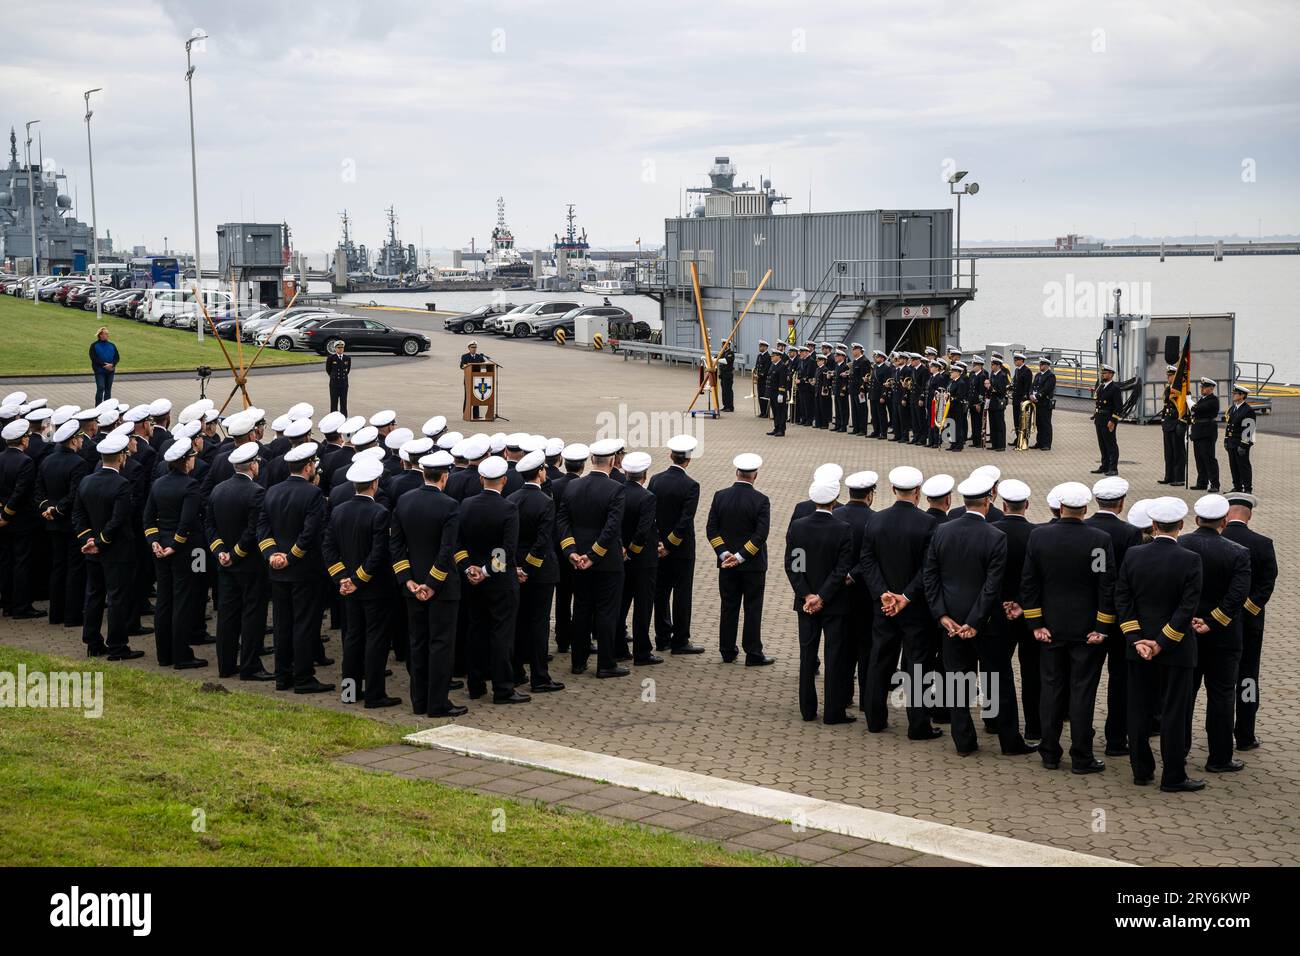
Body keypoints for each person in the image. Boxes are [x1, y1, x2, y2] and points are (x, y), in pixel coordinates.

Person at [923, 471, 1030, 756]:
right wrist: (974, 621)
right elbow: (991, 586)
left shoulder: (942, 530)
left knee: (957, 681)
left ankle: (964, 741)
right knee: (998, 680)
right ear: (988, 500)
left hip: (950, 622)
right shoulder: (996, 536)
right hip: (987, 623)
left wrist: (942, 616)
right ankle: (1009, 742)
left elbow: (930, 577)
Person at [1017, 482, 1116, 773]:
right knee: (1082, 692)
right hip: (1087, 630)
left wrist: (1035, 624)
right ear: (1086, 509)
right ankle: (1082, 756)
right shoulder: (1099, 540)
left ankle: (1049, 752)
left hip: (1051, 628)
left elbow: (1029, 583)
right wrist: (1102, 626)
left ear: (1060, 508)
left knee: (1050, 689)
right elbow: (1104, 585)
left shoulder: (1039, 536)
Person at [1115, 496, 1203, 791]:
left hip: (1137, 647)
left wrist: (1137, 639)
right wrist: (1162, 642)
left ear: (1152, 525)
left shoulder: (1133, 555)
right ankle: (1173, 775)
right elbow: (1187, 608)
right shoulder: (1190, 559)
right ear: (1180, 525)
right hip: (1176, 648)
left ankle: (1141, 770)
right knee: (1174, 712)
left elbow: (1122, 599)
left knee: (1138, 710)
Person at [856, 466, 940, 738]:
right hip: (915, 608)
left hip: (884, 606)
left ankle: (874, 719)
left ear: (893, 490)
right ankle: (918, 725)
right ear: (917, 492)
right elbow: (928, 568)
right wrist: (905, 596)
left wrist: (884, 593)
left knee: (880, 660)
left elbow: (867, 561)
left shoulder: (876, 520)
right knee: (917, 665)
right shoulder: (929, 524)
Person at [1179, 494, 1251, 774]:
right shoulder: (1238, 552)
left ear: (1196, 520)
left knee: (1184, 694)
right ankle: (1219, 757)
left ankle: (1179, 750)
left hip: (1185, 633)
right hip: (1223, 636)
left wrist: (1190, 620)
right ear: (1223, 521)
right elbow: (1237, 595)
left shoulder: (1181, 545)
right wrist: (1214, 621)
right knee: (1221, 696)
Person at [391, 449, 465, 717]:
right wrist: (432, 583)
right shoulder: (450, 505)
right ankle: (438, 703)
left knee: (418, 644)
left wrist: (408, 580)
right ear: (444, 476)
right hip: (442, 588)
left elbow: (396, 546)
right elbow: (447, 550)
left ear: (423, 474)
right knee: (441, 646)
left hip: (413, 586)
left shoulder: (404, 501)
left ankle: (419, 701)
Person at [324, 454, 399, 709]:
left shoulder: (338, 511)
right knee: (375, 641)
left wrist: (342, 578)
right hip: (374, 588)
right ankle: (375, 695)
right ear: (375, 484)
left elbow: (329, 548)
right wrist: (357, 579)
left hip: (348, 588)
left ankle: (349, 691)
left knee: (352, 639)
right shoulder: (380, 513)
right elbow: (379, 553)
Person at [258, 442, 333, 694]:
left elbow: (263, 528)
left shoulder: (272, 492)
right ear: (309, 466)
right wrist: (290, 557)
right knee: (304, 624)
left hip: (278, 570)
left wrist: (272, 555)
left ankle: (283, 675)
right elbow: (310, 533)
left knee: (281, 624)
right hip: (303, 571)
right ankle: (302, 677)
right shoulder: (313, 494)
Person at [457, 455, 529, 703]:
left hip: (473, 580)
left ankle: (475, 685)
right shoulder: (508, 508)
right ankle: (502, 688)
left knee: (475, 630)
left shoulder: (465, 505)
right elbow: (506, 550)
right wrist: (487, 570)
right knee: (501, 634)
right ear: (505, 481)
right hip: (499, 582)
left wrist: (470, 569)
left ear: (481, 479)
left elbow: (459, 543)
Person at [785, 476, 855, 724]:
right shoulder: (843, 529)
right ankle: (833, 712)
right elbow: (841, 569)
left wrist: (807, 595)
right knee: (834, 656)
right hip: (834, 603)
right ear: (835, 500)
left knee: (807, 654)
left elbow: (795, 566)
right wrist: (823, 596)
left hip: (806, 604)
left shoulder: (798, 527)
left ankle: (807, 709)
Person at [558, 438, 628, 677]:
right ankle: (606, 664)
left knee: (581, 609)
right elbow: (611, 528)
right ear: (612, 461)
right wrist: (593, 555)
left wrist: (572, 553)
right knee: (607, 612)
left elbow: (563, 522)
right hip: (606, 562)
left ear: (591, 460)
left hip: (578, 562)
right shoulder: (617, 489)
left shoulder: (572, 487)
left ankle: (578, 661)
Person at [1085, 476, 1144, 758]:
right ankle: (1116, 739)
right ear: (1120, 503)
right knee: (1120, 680)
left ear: (1096, 502)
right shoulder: (1130, 532)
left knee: (1085, 679)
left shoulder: (1084, 527)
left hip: (1089, 617)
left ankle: (1082, 735)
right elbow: (1128, 575)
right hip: (1121, 619)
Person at [72, 431, 143, 660]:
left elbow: (78, 515)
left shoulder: (87, 481)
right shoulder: (122, 484)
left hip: (92, 550)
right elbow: (118, 519)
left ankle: (92, 641)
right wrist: (101, 542)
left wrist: (88, 540)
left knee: (94, 595)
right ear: (122, 457)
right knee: (116, 598)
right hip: (117, 551)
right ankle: (117, 645)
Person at [206, 442, 273, 680]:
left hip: (224, 564)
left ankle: (226, 665)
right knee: (253, 615)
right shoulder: (257, 492)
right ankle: (250, 665)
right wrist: (235, 554)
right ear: (253, 465)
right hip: (249, 565)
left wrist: (221, 552)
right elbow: (253, 530)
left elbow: (210, 526)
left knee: (227, 615)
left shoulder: (218, 490)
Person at [705, 453, 774, 666]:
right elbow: (760, 535)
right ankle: (753, 653)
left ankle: (727, 650)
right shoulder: (761, 500)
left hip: (726, 565)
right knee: (752, 608)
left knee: (729, 606)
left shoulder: (720, 496)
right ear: (755, 475)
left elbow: (711, 529)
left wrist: (725, 553)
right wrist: (741, 556)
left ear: (737, 472)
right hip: (752, 565)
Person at [143, 439, 206, 669]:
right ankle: (181, 654)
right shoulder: (191, 485)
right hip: (183, 551)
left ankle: (164, 654)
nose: (194, 461)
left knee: (164, 601)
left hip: (161, 550)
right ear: (184, 461)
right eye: (191, 458)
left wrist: (154, 542)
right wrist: (175, 545)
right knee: (182, 602)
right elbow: (187, 521)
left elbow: (148, 519)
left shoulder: (158, 484)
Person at [1221, 493, 1276, 752]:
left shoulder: (1215, 540)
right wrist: (1248, 609)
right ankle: (1245, 733)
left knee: (1215, 679)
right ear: (1249, 515)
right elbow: (1267, 583)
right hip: (1250, 624)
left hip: (1214, 623)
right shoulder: (1263, 543)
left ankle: (1215, 733)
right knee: (1248, 678)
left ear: (1225, 514)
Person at [508, 448, 565, 692]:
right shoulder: (545, 502)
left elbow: (508, 540)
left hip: (515, 569)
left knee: (519, 621)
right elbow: (543, 541)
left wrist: (516, 568)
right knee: (539, 623)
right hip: (540, 572)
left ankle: (517, 671)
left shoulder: (511, 499)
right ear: (540, 472)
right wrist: (529, 568)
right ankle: (539, 677)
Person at [992, 479, 1040, 741]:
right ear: (1027, 505)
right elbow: (1039, 576)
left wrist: (1002, 601)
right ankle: (1034, 726)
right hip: (1030, 613)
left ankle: (994, 720)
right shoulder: (1037, 533)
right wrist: (1021, 602)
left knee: (997, 668)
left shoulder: (990, 530)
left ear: (1003, 505)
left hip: (997, 610)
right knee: (1032, 671)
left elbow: (989, 574)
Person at [649, 435, 703, 654]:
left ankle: (662, 638)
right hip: (681, 550)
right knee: (682, 594)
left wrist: (659, 543)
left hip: (658, 547)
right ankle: (680, 640)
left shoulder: (655, 480)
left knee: (660, 593)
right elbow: (685, 520)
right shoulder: (691, 485)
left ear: (670, 456)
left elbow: (650, 514)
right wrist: (670, 545)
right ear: (688, 460)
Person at [36, 420, 90, 628]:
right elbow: (75, 494)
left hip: (52, 523)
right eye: (80, 439)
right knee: (74, 569)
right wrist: (58, 510)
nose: (82, 443)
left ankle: (55, 613)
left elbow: (38, 490)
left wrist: (47, 509)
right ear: (73, 440)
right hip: (70, 523)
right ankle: (72, 615)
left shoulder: (47, 461)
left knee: (57, 567)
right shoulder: (79, 463)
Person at [836, 470, 876, 710]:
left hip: (838, 592)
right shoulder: (876, 519)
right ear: (870, 494)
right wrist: (854, 574)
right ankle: (866, 700)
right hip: (865, 594)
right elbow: (872, 556)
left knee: (843, 647)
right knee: (866, 649)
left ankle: (843, 696)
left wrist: (841, 575)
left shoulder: (835, 516)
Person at [617, 451, 660, 665]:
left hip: (619, 557)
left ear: (625, 472)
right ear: (644, 475)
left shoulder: (616, 492)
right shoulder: (647, 497)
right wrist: (632, 552)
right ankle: (642, 652)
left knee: (620, 604)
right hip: (643, 560)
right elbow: (643, 531)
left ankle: (618, 647)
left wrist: (622, 550)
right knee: (643, 607)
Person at [0, 419, 39, 618]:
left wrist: (2, 513)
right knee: (22, 562)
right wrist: (7, 514)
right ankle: (21, 606)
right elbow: (20, 491)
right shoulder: (26, 461)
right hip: (20, 520)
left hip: (3, 520)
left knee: (6, 561)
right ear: (23, 440)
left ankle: (7, 604)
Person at [1157, 364, 1188, 485]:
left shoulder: (1181, 389)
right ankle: (1169, 476)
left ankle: (1179, 478)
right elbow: (1166, 406)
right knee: (1168, 452)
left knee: (1178, 452)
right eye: (1168, 375)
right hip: (1168, 424)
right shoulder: (1168, 388)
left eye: (1171, 375)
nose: (1168, 378)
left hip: (1176, 423)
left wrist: (1182, 423)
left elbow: (1184, 407)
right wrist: (1163, 419)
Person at [1189, 377, 1220, 491]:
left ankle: (1215, 484)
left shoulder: (1213, 400)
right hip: (1198, 431)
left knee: (1208, 459)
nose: (1202, 389)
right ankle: (1202, 482)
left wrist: (1189, 400)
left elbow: (1197, 409)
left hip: (1207, 432)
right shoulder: (1203, 399)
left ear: (1211, 389)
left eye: (1204, 387)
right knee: (1199, 459)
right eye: (1201, 387)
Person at [1225, 384, 1256, 493]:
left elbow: (1249, 429)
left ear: (1242, 396)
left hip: (1240, 443)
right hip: (1231, 442)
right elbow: (1229, 425)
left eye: (1235, 394)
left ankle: (1247, 488)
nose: (1233, 395)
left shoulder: (1248, 410)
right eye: (1233, 393)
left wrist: (1243, 445)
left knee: (1243, 466)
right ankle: (1237, 486)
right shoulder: (1233, 408)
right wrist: (1226, 439)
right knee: (1233, 466)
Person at [1092, 363, 1122, 476]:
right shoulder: (1102, 386)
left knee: (1111, 444)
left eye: (1105, 373)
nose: (1103, 375)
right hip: (1099, 419)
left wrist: (1113, 421)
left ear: (1111, 374)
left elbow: (1119, 407)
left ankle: (1113, 468)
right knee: (1102, 444)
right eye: (1102, 373)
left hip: (1108, 420)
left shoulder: (1115, 388)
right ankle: (1104, 465)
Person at [89, 327, 120, 405]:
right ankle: (98, 407)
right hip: (100, 371)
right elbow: (94, 358)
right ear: (100, 335)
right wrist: (104, 365)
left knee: (108, 389)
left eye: (107, 334)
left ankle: (106, 407)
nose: (107, 335)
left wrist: (112, 364)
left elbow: (117, 357)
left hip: (110, 371)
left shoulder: (112, 345)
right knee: (100, 388)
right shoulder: (94, 345)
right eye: (105, 334)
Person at [986, 355, 1009, 451]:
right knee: (993, 424)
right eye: (992, 364)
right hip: (992, 403)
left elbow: (1001, 391)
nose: (992, 366)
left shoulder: (1002, 376)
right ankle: (995, 444)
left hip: (998, 403)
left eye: (993, 365)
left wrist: (990, 387)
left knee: (999, 425)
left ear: (998, 366)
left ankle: (1001, 445)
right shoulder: (993, 374)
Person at [766, 348, 790, 437]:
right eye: (772, 356)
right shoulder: (773, 365)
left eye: (774, 356)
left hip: (779, 392)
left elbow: (782, 381)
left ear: (779, 356)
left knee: (781, 411)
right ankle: (776, 428)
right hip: (772, 392)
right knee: (775, 411)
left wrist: (781, 393)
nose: (772, 357)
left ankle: (781, 429)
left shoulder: (782, 366)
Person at [324, 340, 352, 416]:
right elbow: (328, 370)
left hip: (344, 384)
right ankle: (333, 418)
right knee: (334, 402)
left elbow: (347, 370)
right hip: (334, 384)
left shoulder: (347, 358)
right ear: (335, 349)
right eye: (338, 348)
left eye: (342, 348)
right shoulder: (331, 358)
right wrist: (333, 377)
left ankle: (344, 417)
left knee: (343, 402)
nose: (340, 349)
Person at [753, 340, 772, 418]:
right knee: (760, 395)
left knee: (765, 396)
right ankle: (762, 411)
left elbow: (767, 369)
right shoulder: (759, 356)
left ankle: (766, 413)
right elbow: (757, 366)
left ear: (765, 347)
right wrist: (755, 373)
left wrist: (760, 375)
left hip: (765, 380)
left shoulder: (768, 357)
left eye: (761, 346)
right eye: (760, 346)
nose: (760, 348)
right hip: (759, 379)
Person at [717, 342, 735, 412]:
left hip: (728, 375)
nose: (722, 345)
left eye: (724, 344)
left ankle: (730, 407)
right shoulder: (723, 352)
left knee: (728, 391)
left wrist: (717, 359)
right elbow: (717, 357)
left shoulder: (730, 353)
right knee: (724, 391)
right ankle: (725, 405)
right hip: (723, 375)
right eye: (722, 344)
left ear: (728, 345)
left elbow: (726, 361)